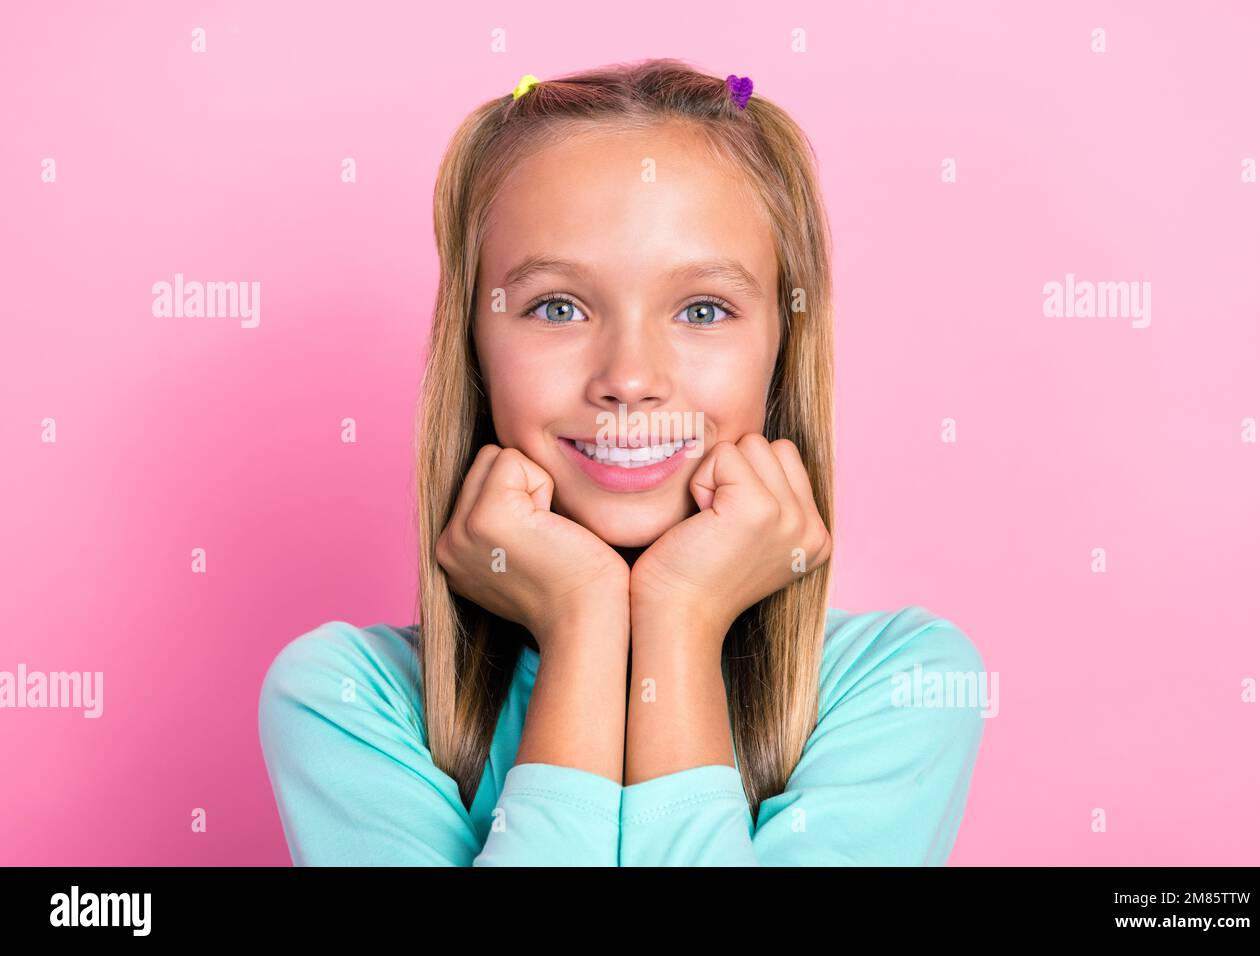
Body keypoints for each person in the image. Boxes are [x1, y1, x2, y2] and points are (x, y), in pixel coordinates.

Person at [258, 59, 986, 866]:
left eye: (703, 310)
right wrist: (583, 620)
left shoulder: (904, 683)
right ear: (474, 349)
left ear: (783, 347)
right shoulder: (345, 699)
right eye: (557, 307)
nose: (630, 379)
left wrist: (677, 616)